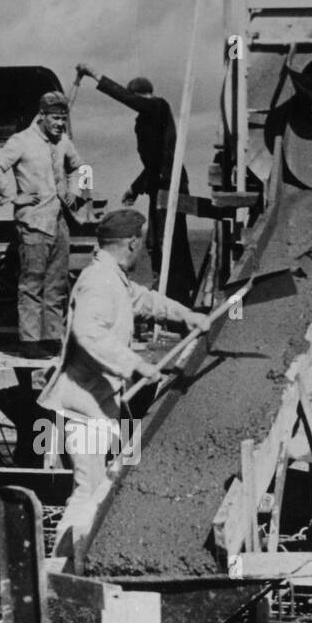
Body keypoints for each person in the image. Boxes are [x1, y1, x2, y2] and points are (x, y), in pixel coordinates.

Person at [39, 207, 209, 567]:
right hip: (84, 409)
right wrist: (136, 364)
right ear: (132, 243)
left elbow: (145, 300)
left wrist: (186, 315)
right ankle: (61, 565)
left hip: (102, 405)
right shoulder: (97, 281)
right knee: (88, 488)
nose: (142, 251)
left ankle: (73, 561)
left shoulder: (110, 277)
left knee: (97, 486)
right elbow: (88, 332)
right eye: (142, 244)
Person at [75, 64, 197, 303]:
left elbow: (130, 100)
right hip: (160, 185)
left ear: (141, 96)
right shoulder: (148, 118)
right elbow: (154, 162)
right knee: (157, 241)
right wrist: (135, 187)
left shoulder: (157, 106)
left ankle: (175, 296)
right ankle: (171, 293)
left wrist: (96, 75)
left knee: (167, 241)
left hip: (169, 186)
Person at [0, 90, 83, 358]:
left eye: (64, 119)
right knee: (32, 284)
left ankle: (52, 339)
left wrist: (75, 195)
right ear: (42, 116)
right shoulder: (21, 141)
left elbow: (79, 169)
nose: (61, 124)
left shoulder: (63, 143)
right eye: (56, 119)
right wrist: (13, 197)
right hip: (34, 223)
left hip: (60, 223)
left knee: (57, 284)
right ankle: (29, 343)